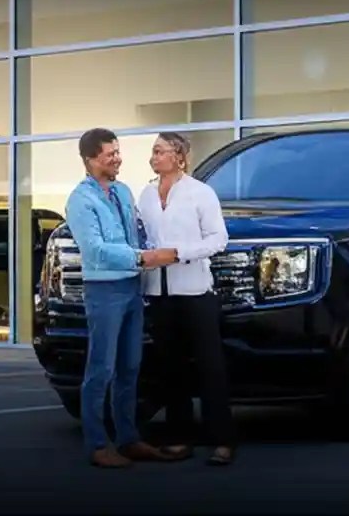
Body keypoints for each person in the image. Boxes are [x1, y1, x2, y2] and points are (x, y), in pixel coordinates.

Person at [65, 127, 180, 468]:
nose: (117, 159)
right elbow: (95, 250)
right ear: (89, 159)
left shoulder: (123, 191)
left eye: (117, 152)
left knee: (130, 367)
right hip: (104, 291)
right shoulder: (80, 200)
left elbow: (135, 233)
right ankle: (98, 446)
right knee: (100, 369)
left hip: (132, 287)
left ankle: (128, 439)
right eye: (109, 155)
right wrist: (143, 258)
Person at [135, 131, 236, 466]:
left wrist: (178, 253)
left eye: (160, 151)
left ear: (179, 156)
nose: (154, 156)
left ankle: (222, 440)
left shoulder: (200, 193)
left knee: (210, 367)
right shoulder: (146, 195)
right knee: (170, 369)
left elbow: (219, 238)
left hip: (195, 292)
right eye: (153, 151)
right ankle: (179, 438)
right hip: (159, 294)